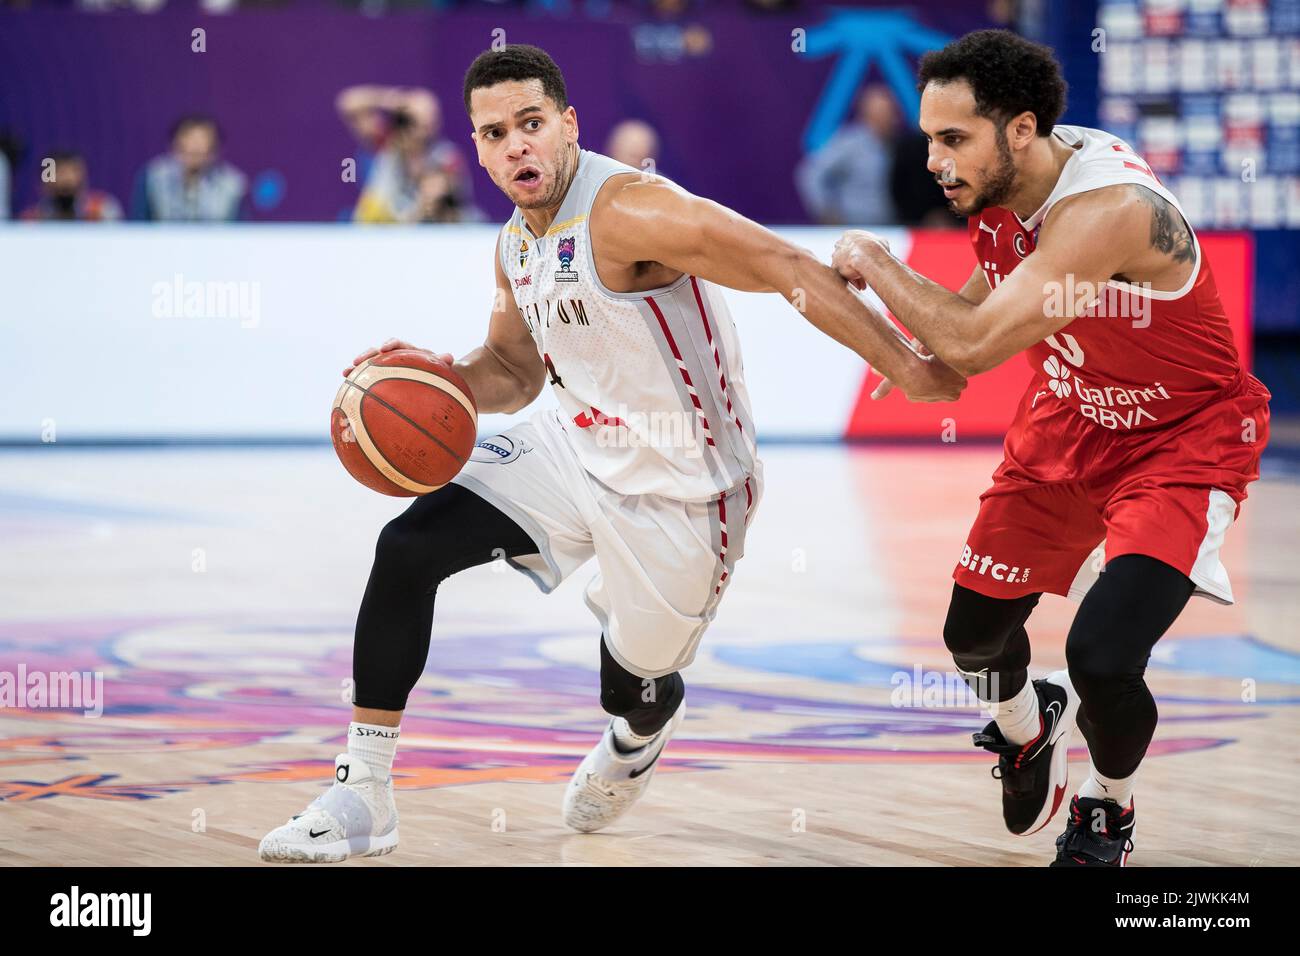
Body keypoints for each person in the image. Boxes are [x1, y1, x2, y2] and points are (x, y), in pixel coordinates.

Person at [259, 43, 964, 863]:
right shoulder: (515, 245)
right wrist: (430, 379)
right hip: (573, 444)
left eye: (531, 124)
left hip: (686, 486)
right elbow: (514, 374)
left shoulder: (631, 211)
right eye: (495, 133)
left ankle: (636, 737)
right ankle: (363, 795)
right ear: (478, 149)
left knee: (630, 689)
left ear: (568, 125)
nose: (516, 145)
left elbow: (784, 265)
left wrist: (906, 366)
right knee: (408, 547)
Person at [831, 30, 1271, 867]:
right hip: (1070, 417)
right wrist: (925, 341)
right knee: (972, 636)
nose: (933, 159)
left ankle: (1109, 807)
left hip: (1180, 438)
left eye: (952, 138)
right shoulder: (1008, 176)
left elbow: (975, 345)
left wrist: (877, 264)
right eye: (929, 137)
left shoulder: (1107, 212)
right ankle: (1027, 730)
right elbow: (995, 283)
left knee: (1103, 657)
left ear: (1021, 129)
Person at [339, 85, 481, 223]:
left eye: (430, 118)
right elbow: (348, 102)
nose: (423, 126)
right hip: (391, 230)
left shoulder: (446, 156)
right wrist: (393, 100)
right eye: (412, 120)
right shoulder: (387, 147)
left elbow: (460, 201)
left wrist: (443, 187)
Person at [796, 84, 899, 225]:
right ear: (866, 114)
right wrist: (826, 211)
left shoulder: (899, 145)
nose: (887, 118)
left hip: (893, 228)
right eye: (880, 112)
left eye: (889, 112)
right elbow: (811, 173)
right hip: (854, 227)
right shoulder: (849, 143)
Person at [131, 115, 247, 222]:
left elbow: (239, 231)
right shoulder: (154, 176)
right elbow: (138, 224)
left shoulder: (232, 183)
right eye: (187, 147)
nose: (195, 146)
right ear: (174, 146)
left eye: (201, 146)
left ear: (214, 150)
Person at [20, 150, 122, 222]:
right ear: (43, 184)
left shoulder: (102, 211)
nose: (66, 180)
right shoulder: (32, 220)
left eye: (72, 173)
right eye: (59, 173)